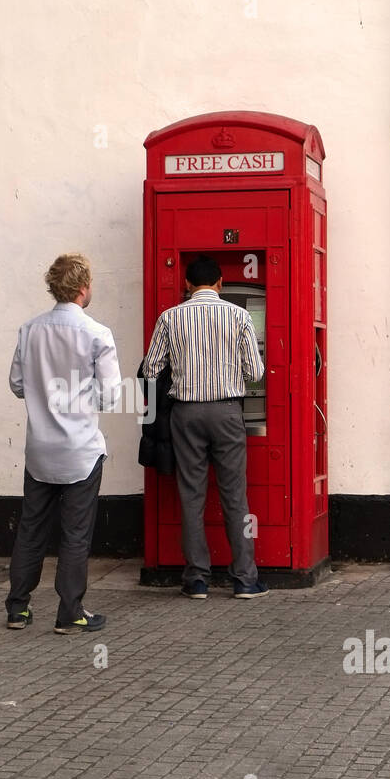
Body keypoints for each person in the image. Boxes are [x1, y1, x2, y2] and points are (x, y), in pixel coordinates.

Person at [141, 254, 269, 600]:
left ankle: (196, 578)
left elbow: (151, 370)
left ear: (186, 283)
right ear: (220, 283)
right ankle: (244, 578)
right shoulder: (240, 316)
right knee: (235, 497)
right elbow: (256, 372)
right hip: (228, 413)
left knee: (191, 495)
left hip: (186, 414)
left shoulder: (170, 318)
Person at [6, 252, 122, 633]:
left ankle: (18, 608)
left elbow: (18, 385)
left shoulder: (29, 330)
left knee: (30, 528)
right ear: (83, 287)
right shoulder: (97, 334)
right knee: (75, 533)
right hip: (81, 451)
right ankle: (69, 612)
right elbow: (110, 396)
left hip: (39, 450)